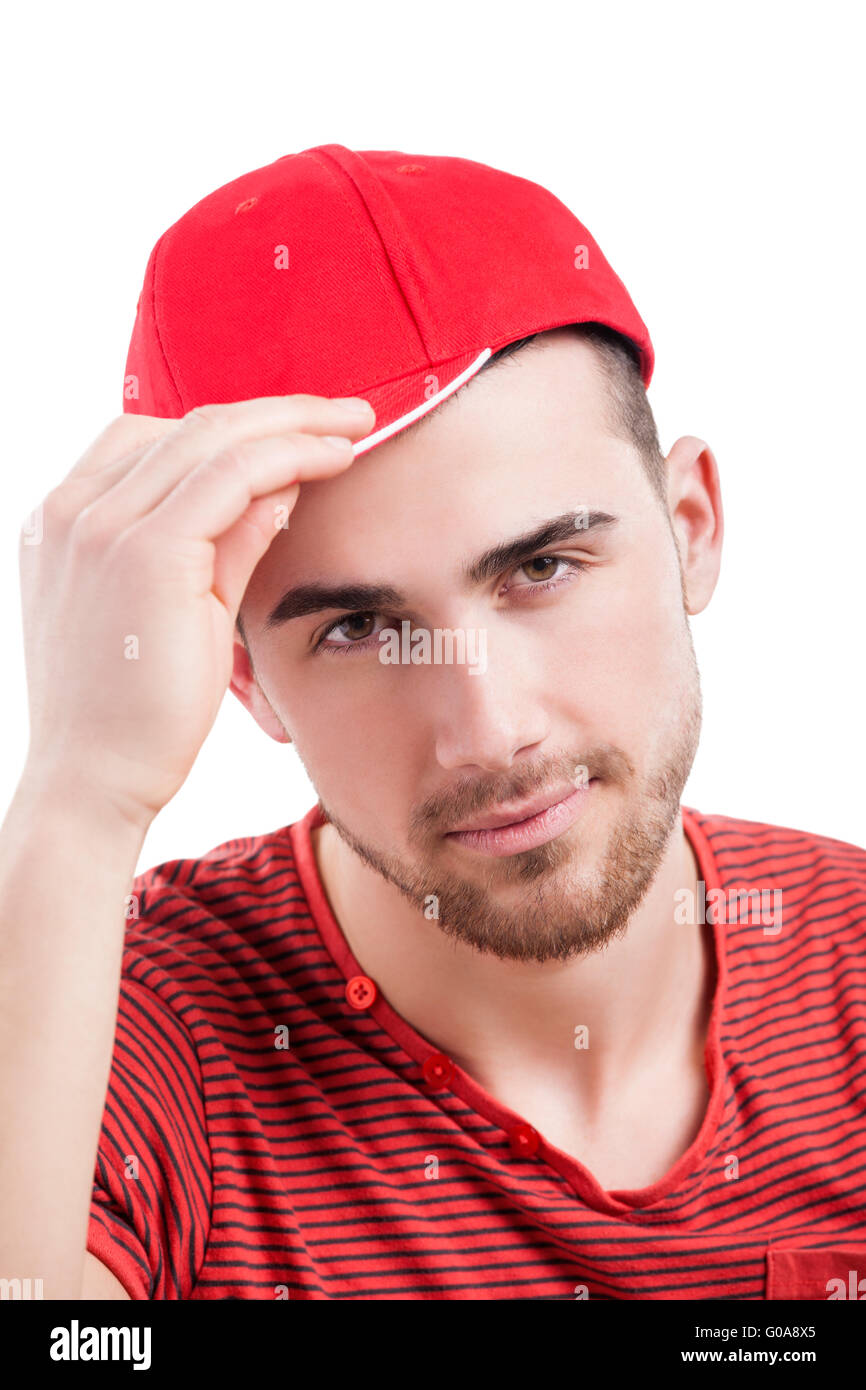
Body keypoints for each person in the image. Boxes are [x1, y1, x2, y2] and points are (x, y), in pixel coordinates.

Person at [2, 145, 864, 1302]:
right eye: (356, 628)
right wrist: (76, 787)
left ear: (692, 527)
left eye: (544, 566)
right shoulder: (119, 1041)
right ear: (243, 678)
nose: (488, 731)